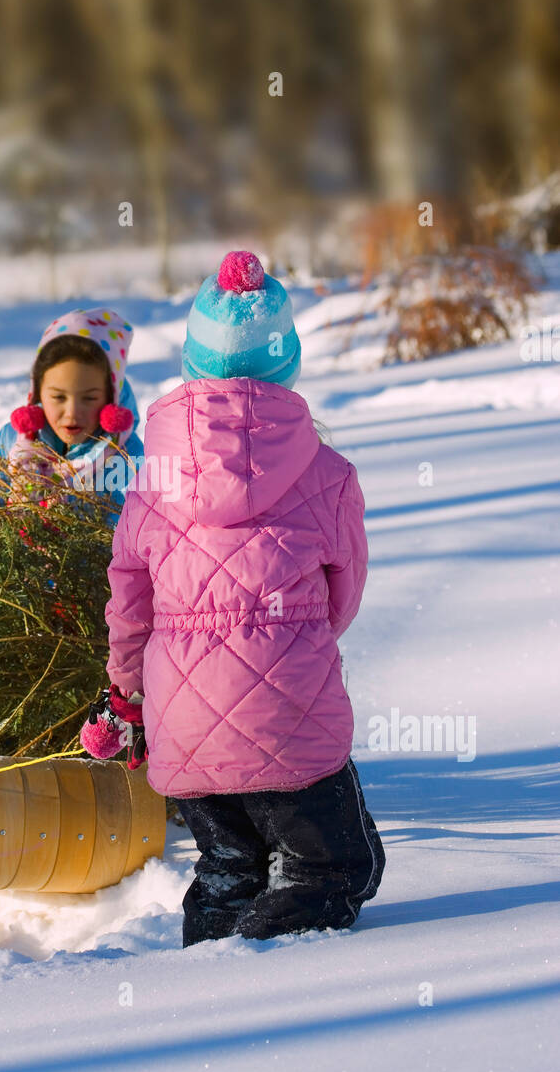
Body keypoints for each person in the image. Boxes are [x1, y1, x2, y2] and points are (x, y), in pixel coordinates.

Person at [81, 250, 385, 948]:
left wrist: (128, 691)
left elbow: (128, 608)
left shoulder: (150, 479)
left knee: (228, 866)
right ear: (286, 364)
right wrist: (293, 639)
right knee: (335, 866)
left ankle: (211, 965)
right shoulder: (330, 475)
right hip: (292, 721)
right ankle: (276, 958)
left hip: (185, 735)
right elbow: (343, 598)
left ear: (193, 361)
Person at [0, 308, 145, 532]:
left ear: (110, 398)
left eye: (89, 398)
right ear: (37, 393)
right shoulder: (11, 440)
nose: (72, 413)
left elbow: (137, 532)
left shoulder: (126, 455)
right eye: (58, 397)